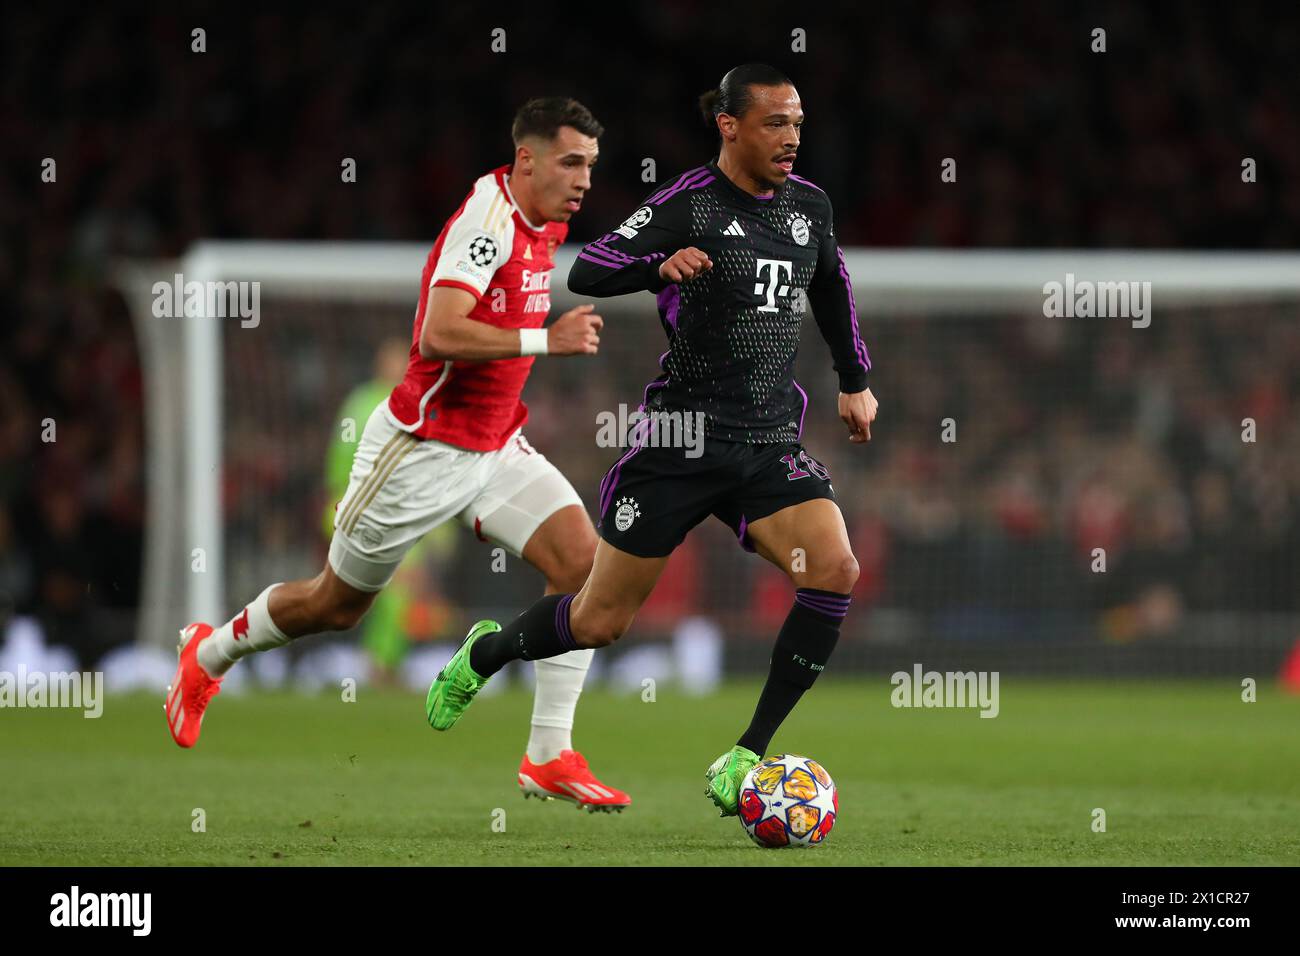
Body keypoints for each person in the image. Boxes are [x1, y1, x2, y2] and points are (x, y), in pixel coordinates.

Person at [426, 64, 878, 818]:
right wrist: (655, 264)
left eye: (798, 122)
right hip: (679, 442)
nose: (791, 138)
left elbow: (831, 286)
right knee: (599, 619)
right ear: (729, 126)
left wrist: (854, 378)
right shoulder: (689, 203)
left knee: (834, 569)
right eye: (774, 123)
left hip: (767, 440)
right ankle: (486, 653)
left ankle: (745, 756)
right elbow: (593, 266)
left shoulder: (810, 208)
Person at [166, 97, 632, 812]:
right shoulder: (487, 225)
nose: (584, 180)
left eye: (591, 167)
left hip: (496, 444)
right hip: (420, 451)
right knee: (336, 605)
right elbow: (441, 334)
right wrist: (548, 339)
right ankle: (207, 655)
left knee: (583, 569)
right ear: (528, 159)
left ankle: (547, 753)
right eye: (572, 163)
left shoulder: (548, 222)